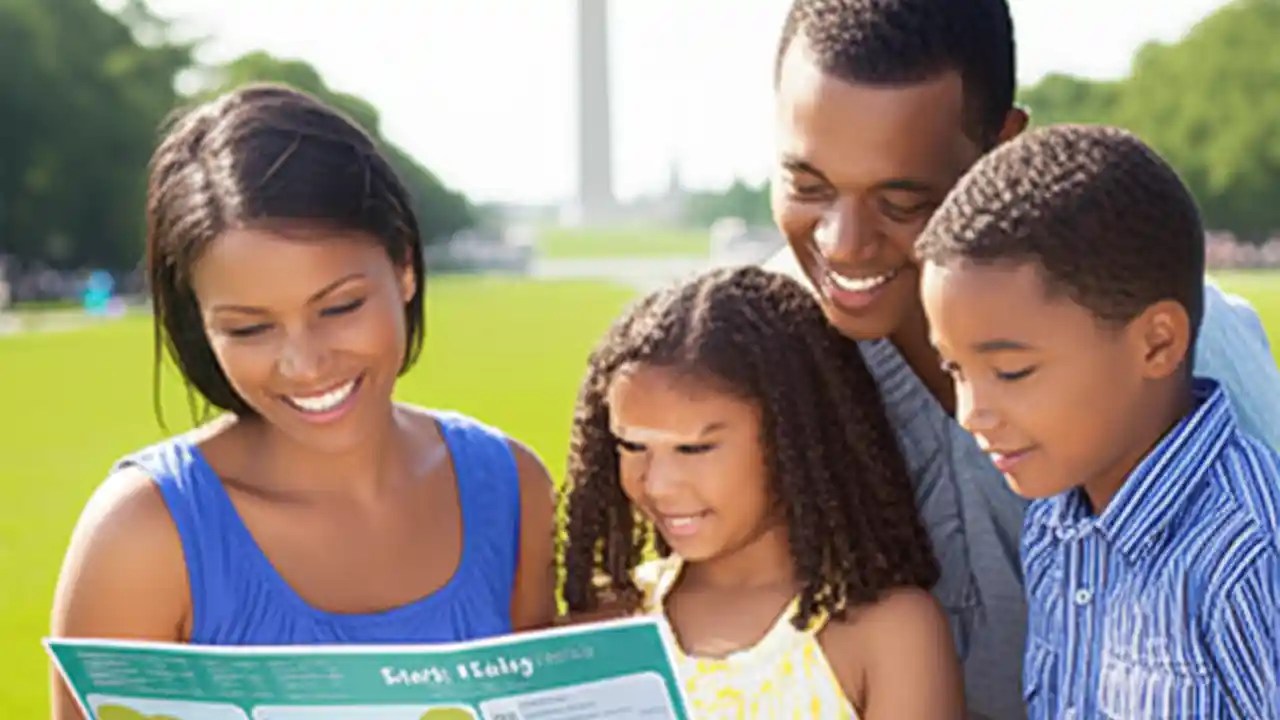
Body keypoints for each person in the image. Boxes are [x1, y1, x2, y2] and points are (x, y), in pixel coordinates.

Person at [764, 1, 1280, 716]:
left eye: (902, 199)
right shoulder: (765, 347)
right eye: (808, 186)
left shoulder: (1174, 338)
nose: (845, 244)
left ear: (1001, 144)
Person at [49, 84, 556, 719]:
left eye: (340, 306)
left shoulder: (511, 490)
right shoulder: (144, 536)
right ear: (199, 325)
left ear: (404, 268)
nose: (305, 364)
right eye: (249, 328)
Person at [918, 124, 1280, 720]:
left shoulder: (1247, 555)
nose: (971, 413)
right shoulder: (1054, 528)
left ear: (1156, 344)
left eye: (1010, 371)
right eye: (956, 370)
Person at [559, 265, 964, 719]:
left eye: (695, 448)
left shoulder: (886, 632)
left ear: (797, 441)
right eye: (633, 446)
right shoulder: (609, 619)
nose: (657, 484)